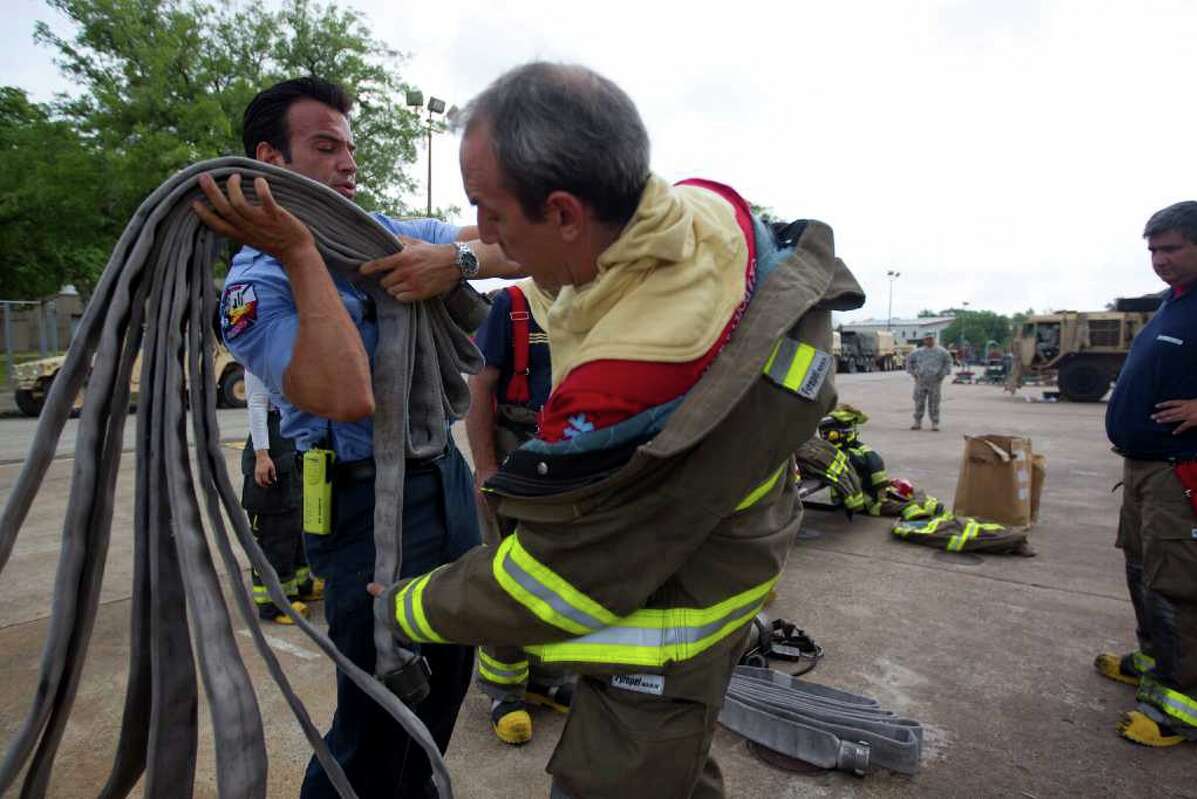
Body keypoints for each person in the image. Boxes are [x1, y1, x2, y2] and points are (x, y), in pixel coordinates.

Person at [369, 62, 863, 799]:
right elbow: (515, 248)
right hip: (730, 553)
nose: (485, 235)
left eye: (489, 211)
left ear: (567, 213)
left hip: (666, 635)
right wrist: (460, 259)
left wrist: (403, 604)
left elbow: (549, 582)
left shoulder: (626, 383)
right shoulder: (698, 215)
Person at [193, 76, 521, 798]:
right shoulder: (256, 286)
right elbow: (346, 394)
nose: (349, 162)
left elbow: (514, 246)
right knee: (378, 716)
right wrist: (303, 251)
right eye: (326, 146)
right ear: (270, 158)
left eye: (350, 146)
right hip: (362, 511)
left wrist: (453, 262)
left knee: (444, 686)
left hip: (446, 486)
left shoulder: (382, 230)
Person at [1095, 200, 1197, 747]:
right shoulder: (1171, 303)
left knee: (1178, 584)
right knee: (1142, 570)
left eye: (1172, 248)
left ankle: (1182, 709)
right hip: (1143, 469)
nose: (1159, 260)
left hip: (1182, 474)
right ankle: (1154, 661)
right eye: (1153, 250)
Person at [464, 278, 574, 745]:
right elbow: (480, 388)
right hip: (516, 448)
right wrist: (485, 465)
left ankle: (547, 676)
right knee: (508, 571)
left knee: (560, 569)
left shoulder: (587, 298)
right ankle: (504, 690)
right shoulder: (511, 306)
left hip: (570, 454)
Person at [240, 367, 321, 624]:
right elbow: (256, 404)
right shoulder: (257, 356)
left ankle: (300, 586)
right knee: (274, 534)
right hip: (271, 453)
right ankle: (274, 604)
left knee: (293, 528)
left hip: (288, 449)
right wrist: (262, 455)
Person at [905, 333, 952, 430]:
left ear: (934, 339)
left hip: (935, 381)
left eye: (930, 339)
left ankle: (935, 423)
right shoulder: (917, 352)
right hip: (921, 381)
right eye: (927, 339)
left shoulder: (942, 352)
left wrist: (942, 374)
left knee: (934, 403)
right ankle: (917, 422)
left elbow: (948, 363)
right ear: (924, 340)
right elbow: (909, 361)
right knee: (919, 402)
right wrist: (913, 373)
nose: (929, 341)